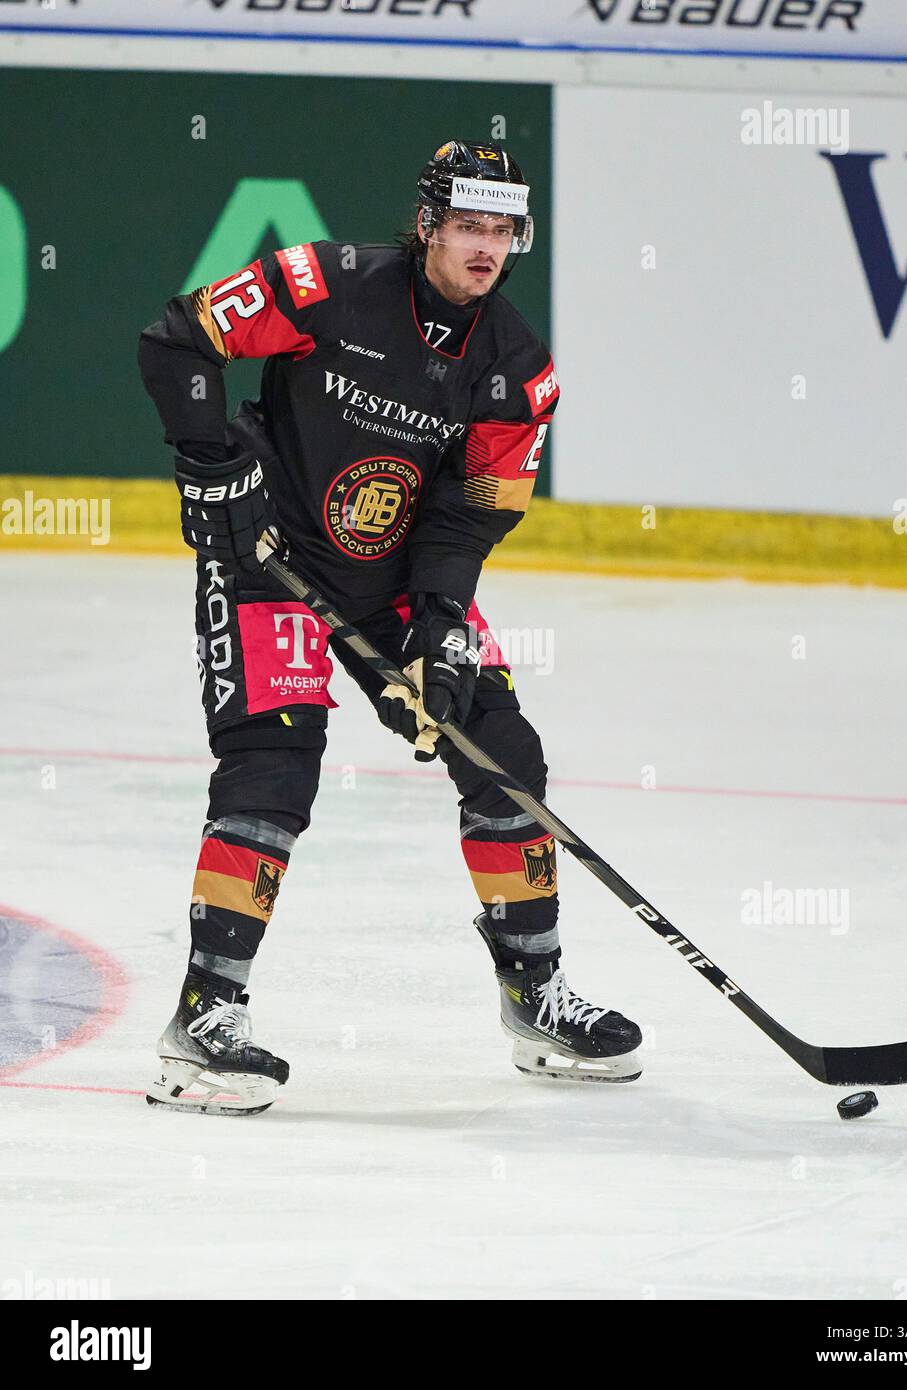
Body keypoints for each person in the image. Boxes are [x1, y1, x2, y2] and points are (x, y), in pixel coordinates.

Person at [138, 139, 642, 1114]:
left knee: (502, 754)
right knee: (271, 768)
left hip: (396, 579)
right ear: (428, 226)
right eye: (468, 227)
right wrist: (210, 465)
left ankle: (534, 993)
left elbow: (471, 513)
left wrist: (443, 626)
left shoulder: (516, 367)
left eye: (501, 231)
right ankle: (205, 1016)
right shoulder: (323, 284)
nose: (485, 248)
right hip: (270, 561)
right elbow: (177, 338)